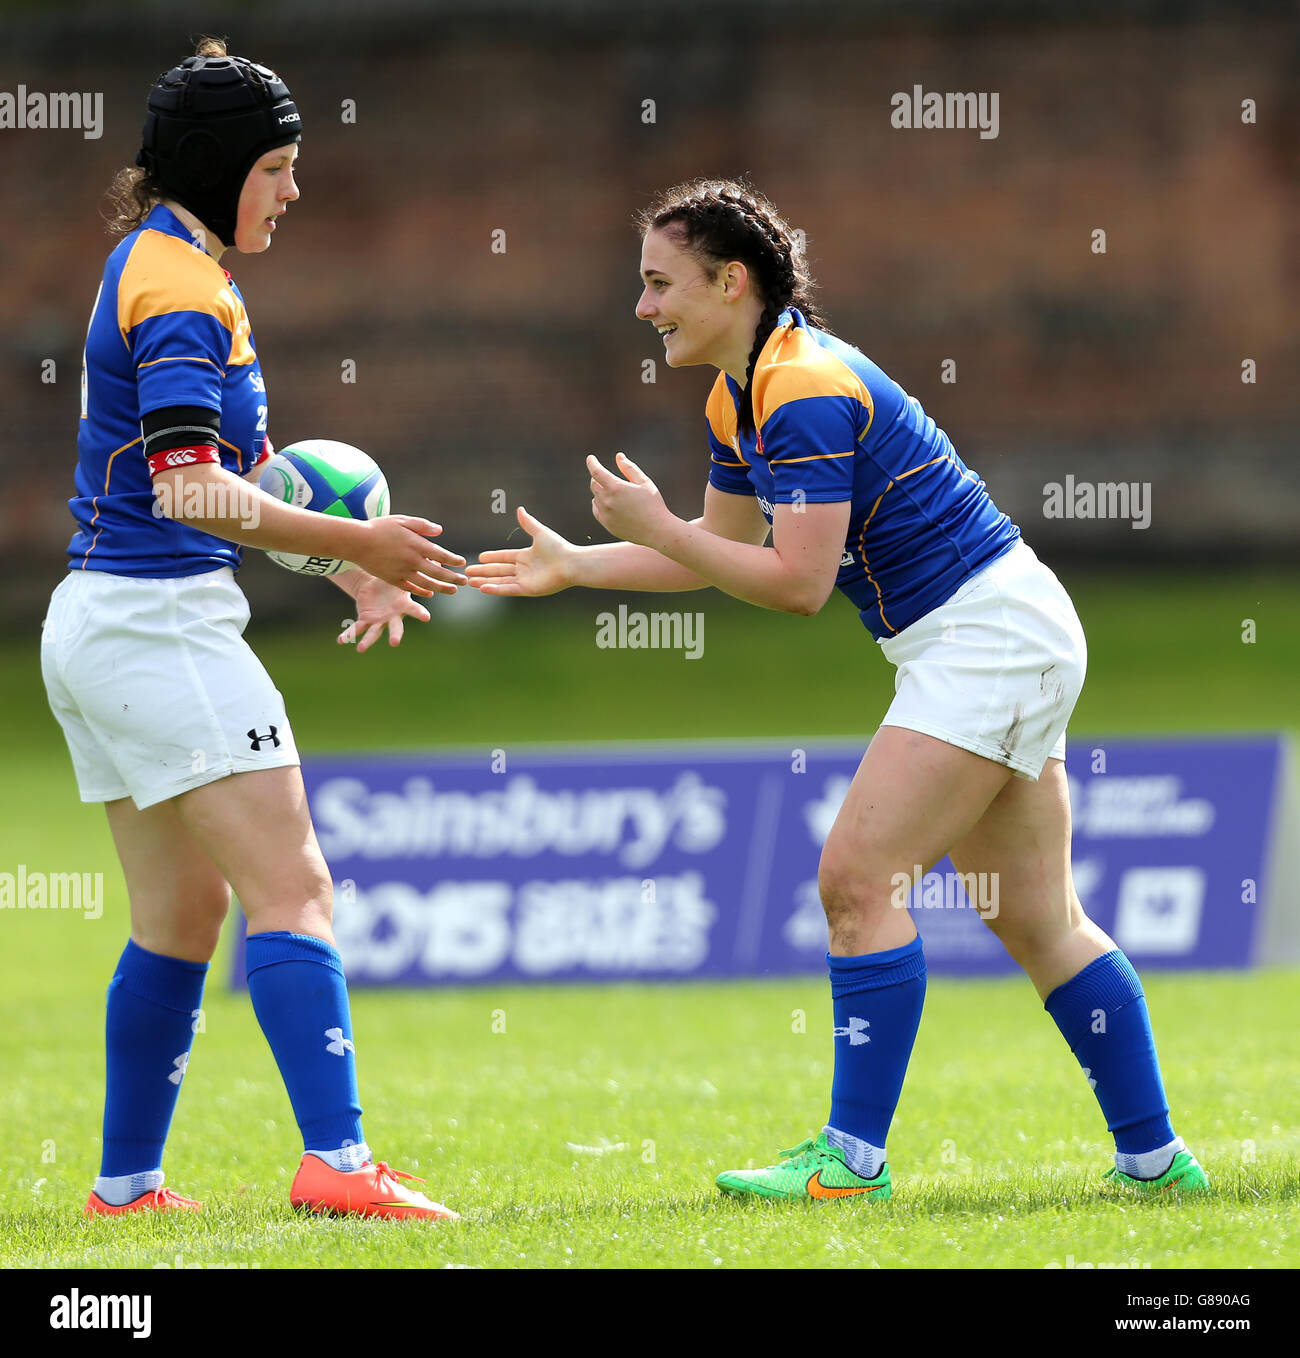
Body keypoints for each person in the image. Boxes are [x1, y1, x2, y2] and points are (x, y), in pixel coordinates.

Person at [467, 178, 1208, 1202]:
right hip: (1000, 631)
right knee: (1037, 917)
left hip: (985, 638)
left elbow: (797, 584)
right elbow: (716, 553)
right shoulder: (743, 388)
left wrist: (654, 528)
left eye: (657, 283)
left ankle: (851, 1160)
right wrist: (582, 565)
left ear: (731, 282)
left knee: (857, 878)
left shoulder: (802, 385)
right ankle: (1157, 1162)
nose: (641, 308)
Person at [40, 38, 467, 1220]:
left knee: (182, 912)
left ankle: (125, 1187)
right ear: (220, 164)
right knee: (296, 886)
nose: (291, 189)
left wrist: (347, 572)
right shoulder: (179, 288)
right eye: (277, 165)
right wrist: (359, 543)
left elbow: (216, 477)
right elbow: (188, 490)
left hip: (100, 619)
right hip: (159, 621)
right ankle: (336, 1159)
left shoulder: (162, 262)